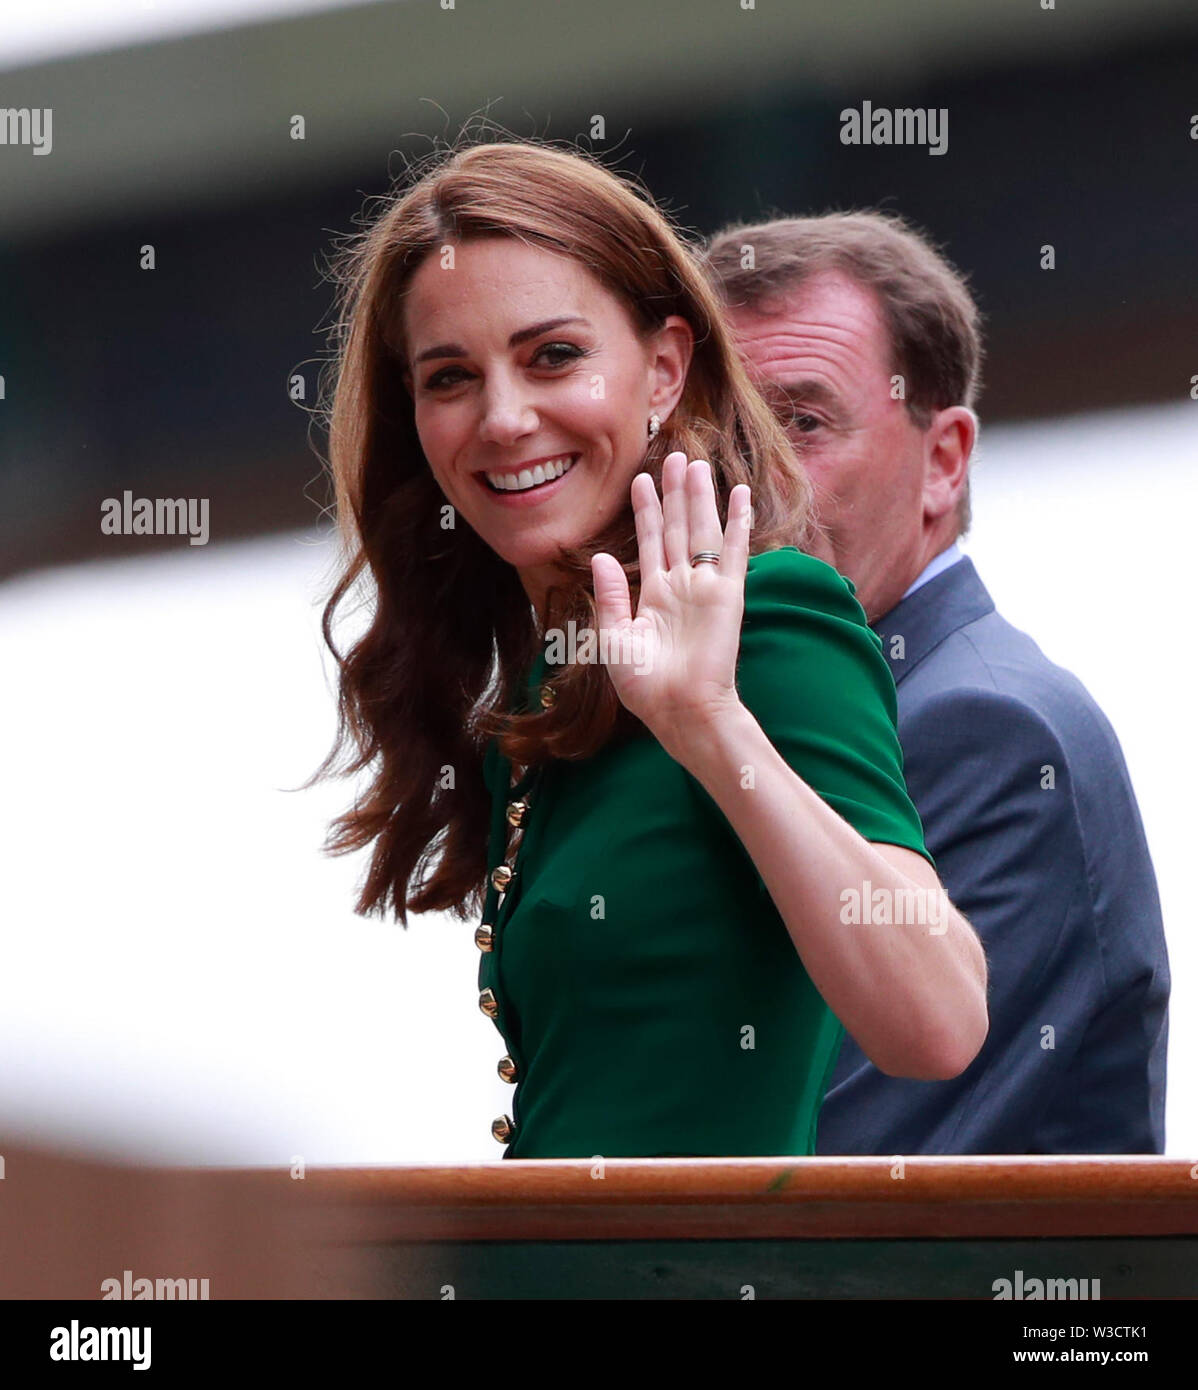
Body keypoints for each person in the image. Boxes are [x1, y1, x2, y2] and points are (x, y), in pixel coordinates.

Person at [311, 142, 987, 1159]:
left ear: (664, 368)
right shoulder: (539, 696)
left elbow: (936, 1021)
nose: (502, 418)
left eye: (552, 356)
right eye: (450, 378)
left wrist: (705, 721)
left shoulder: (764, 614)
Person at [704, 210, 1169, 1153]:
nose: (747, 484)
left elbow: (822, 1181)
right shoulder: (787, 711)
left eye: (799, 422)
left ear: (944, 460)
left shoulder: (985, 731)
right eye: (718, 432)